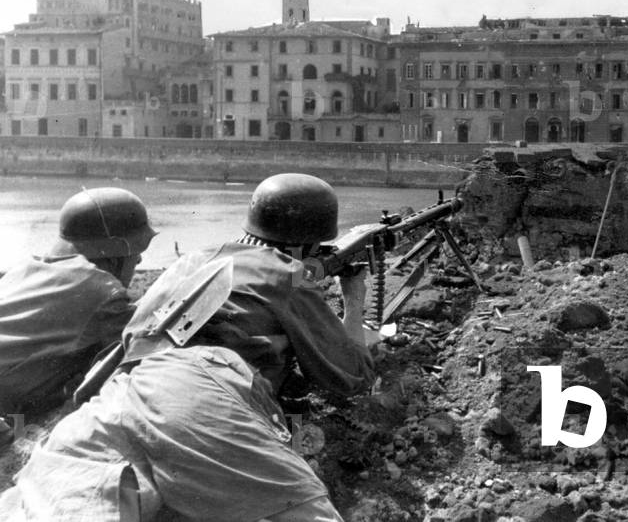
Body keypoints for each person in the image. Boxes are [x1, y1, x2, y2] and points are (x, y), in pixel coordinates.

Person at [0, 173, 374, 522]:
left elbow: (131, 337)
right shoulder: (286, 273)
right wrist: (353, 300)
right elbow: (352, 376)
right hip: (201, 390)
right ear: (302, 245)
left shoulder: (192, 261)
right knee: (307, 509)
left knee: (47, 504)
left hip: (120, 393)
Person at [0, 187, 156, 418]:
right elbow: (144, 341)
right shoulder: (101, 290)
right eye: (136, 252)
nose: (140, 258)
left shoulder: (24, 269)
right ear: (115, 257)